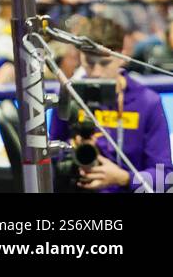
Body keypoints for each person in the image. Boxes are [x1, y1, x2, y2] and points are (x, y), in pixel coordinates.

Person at [48, 16, 172, 193]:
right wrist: (70, 152)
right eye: (89, 64)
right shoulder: (70, 96)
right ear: (80, 57)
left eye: (105, 63)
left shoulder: (147, 102)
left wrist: (124, 178)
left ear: (122, 56)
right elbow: (51, 162)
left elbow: (165, 176)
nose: (97, 73)